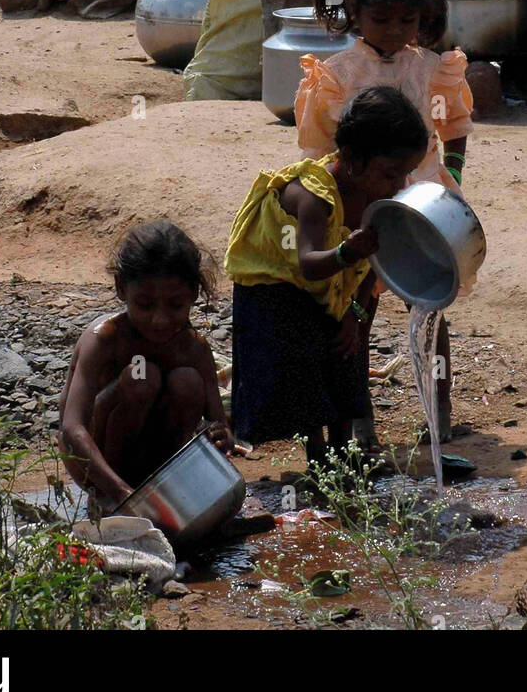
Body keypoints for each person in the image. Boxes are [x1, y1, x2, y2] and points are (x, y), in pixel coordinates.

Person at [294, 0, 475, 444]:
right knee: (358, 311)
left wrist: (452, 175)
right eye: (381, 19)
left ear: (422, 15)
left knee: (430, 308)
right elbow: (319, 150)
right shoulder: (337, 75)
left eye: (406, 20)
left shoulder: (433, 68)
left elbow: (455, 124)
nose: (394, 31)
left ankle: (438, 412)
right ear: (354, 11)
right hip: (362, 210)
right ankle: (360, 420)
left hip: (423, 206)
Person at [226, 85, 429, 466]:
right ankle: (319, 458)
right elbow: (309, 261)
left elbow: (373, 263)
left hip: (329, 287)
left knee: (345, 352)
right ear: (351, 158)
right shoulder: (314, 195)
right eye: (391, 173)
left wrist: (355, 313)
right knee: (306, 369)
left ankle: (343, 455)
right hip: (275, 287)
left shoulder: (376, 195)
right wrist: (346, 252)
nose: (400, 185)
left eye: (406, 174)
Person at [59, 221, 233, 509]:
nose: (160, 320)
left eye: (175, 305)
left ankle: (166, 487)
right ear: (121, 289)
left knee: (188, 381)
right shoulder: (104, 339)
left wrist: (221, 437)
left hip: (157, 466)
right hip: (95, 466)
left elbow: (220, 426)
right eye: (145, 305)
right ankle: (112, 498)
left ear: (193, 294)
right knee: (142, 377)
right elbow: (71, 428)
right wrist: (119, 492)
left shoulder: (193, 349)